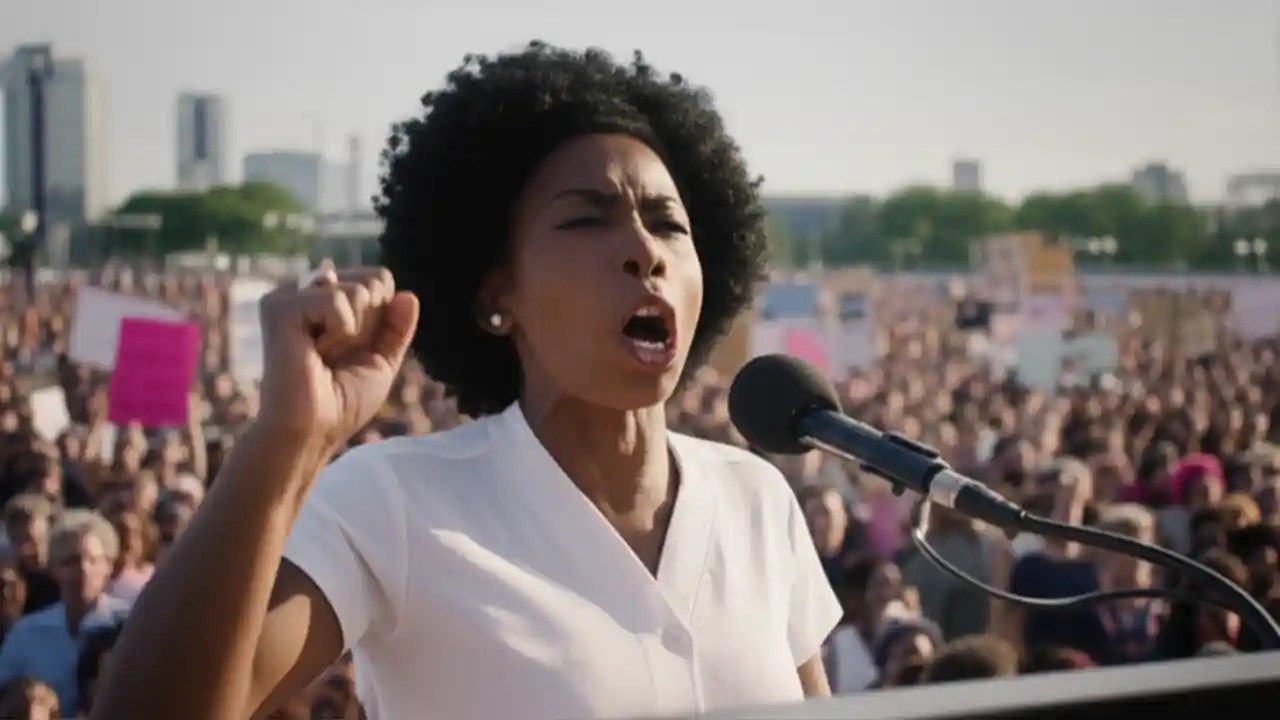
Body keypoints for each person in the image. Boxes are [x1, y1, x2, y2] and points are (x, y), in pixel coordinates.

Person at [93, 42, 841, 720]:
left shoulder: (758, 500)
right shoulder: (393, 501)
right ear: (495, 296)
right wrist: (285, 440)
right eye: (587, 221)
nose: (645, 251)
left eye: (668, 222)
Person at [0, 510, 128, 716]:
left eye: (93, 560)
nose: (83, 570)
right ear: (53, 568)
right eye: (71, 561)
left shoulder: (130, 626)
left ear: (109, 566)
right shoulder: (26, 633)